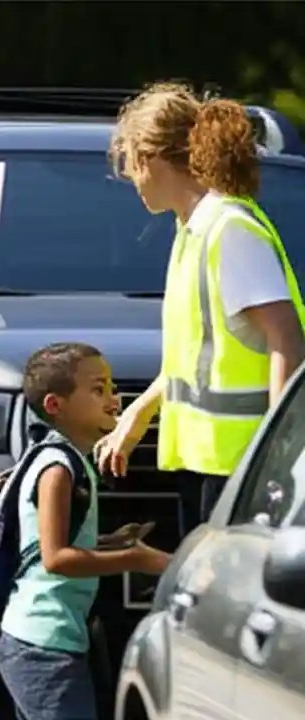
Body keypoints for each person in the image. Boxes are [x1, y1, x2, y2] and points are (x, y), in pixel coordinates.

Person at [96, 82, 305, 527]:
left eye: (129, 164)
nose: (132, 180)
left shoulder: (228, 230)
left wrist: (275, 454)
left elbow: (285, 335)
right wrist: (140, 411)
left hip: (241, 472)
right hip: (210, 465)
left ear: (149, 157)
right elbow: (191, 360)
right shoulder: (193, 228)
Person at [0, 342, 171, 720]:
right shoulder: (57, 469)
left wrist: (109, 542)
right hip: (41, 645)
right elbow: (56, 558)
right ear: (56, 406)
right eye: (98, 389)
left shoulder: (71, 461)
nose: (113, 398)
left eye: (111, 386)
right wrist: (138, 558)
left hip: (48, 641)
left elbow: (54, 544)